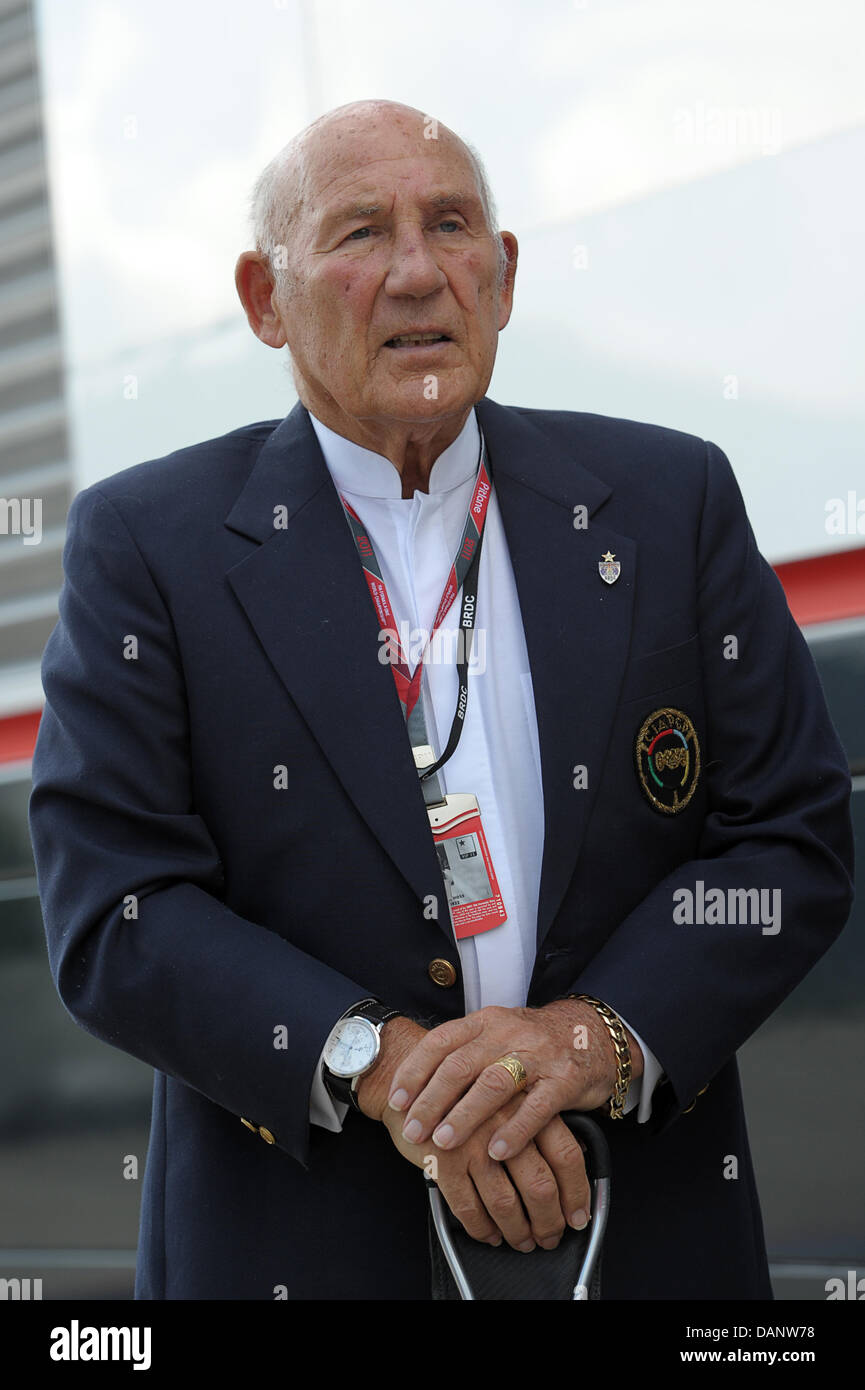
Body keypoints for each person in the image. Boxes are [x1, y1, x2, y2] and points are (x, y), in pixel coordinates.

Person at [28, 98, 854, 1301]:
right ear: (266, 300)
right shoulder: (148, 546)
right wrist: (388, 1067)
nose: (418, 272)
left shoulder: (668, 501)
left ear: (503, 276)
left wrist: (586, 1041)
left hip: (647, 1233)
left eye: (452, 225)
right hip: (295, 1246)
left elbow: (791, 841)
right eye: (361, 233)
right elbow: (116, 907)